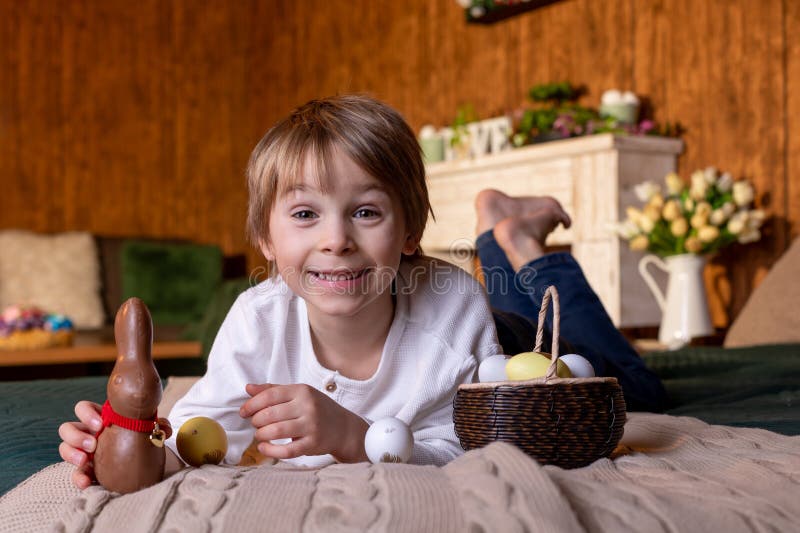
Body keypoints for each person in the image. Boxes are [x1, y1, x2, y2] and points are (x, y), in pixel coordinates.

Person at [58, 95, 666, 490]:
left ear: (409, 231)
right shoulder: (258, 319)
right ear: (263, 241)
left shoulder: (452, 311)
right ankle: (497, 229)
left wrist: (354, 437)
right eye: (303, 215)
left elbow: (478, 450)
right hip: (459, 317)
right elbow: (196, 445)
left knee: (630, 386)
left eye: (367, 212)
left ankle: (522, 244)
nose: (336, 240)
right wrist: (121, 440)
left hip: (492, 352)